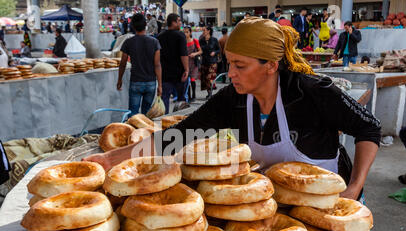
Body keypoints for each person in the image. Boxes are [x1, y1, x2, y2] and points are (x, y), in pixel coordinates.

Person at [85, 18, 381, 204]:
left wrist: (354, 187)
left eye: (241, 66)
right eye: (230, 64)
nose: (232, 73)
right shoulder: (234, 99)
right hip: (279, 205)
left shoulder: (313, 92)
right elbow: (176, 137)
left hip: (332, 201)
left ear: (271, 66)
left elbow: (369, 128)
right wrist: (108, 159)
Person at [118, 13, 162, 117]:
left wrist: (119, 79)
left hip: (135, 82)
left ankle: (134, 132)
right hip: (151, 82)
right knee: (147, 114)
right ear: (145, 24)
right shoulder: (154, 42)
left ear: (132, 26)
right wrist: (160, 85)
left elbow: (122, 63)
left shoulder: (128, 42)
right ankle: (145, 133)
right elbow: (157, 65)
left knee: (133, 114)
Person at [157, 13, 189, 113]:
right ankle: (180, 122)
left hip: (165, 74)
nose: (180, 23)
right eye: (179, 21)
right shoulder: (180, 35)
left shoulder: (160, 36)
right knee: (181, 100)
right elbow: (183, 55)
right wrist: (187, 69)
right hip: (179, 73)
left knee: (164, 100)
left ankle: (164, 122)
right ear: (174, 22)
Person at [199, 25, 220, 99]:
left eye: (204, 30)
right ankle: (209, 93)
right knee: (205, 79)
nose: (203, 32)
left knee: (209, 78)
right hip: (204, 61)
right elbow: (199, 50)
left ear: (208, 31)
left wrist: (214, 52)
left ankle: (210, 93)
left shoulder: (214, 40)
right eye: (203, 30)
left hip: (212, 62)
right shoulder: (201, 40)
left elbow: (218, 49)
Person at [184, 26, 202, 102]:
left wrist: (194, 54)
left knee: (192, 79)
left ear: (190, 32)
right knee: (187, 80)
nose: (185, 34)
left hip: (193, 63)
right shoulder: (182, 42)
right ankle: (189, 96)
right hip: (185, 63)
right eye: (184, 32)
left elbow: (201, 51)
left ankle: (193, 95)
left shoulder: (195, 41)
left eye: (187, 32)